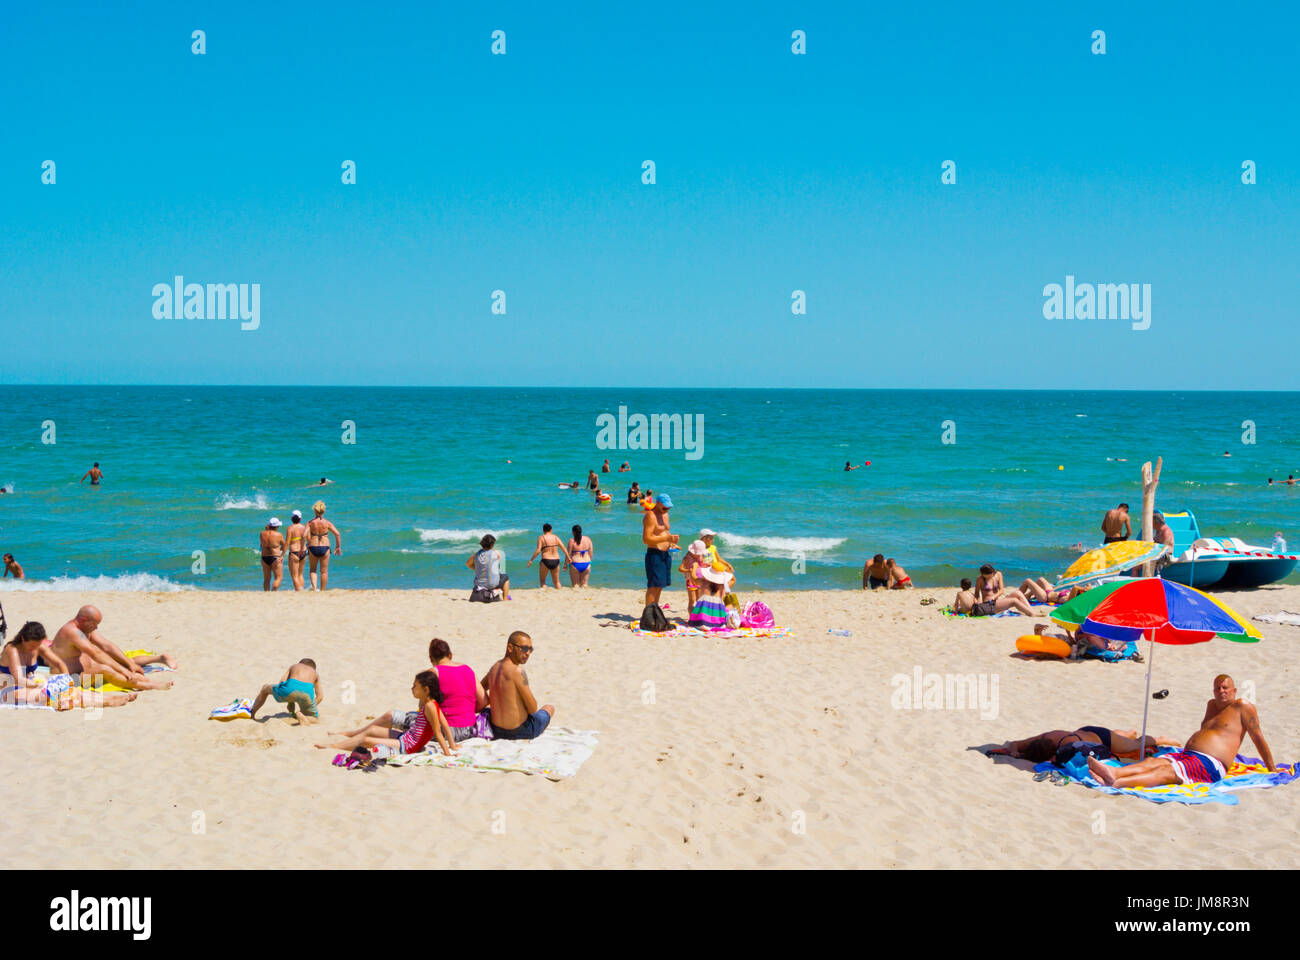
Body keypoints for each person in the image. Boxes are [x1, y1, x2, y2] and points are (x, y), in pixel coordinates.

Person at [1087, 675, 1275, 787]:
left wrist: (1271, 769)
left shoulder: (1242, 706)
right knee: (1155, 761)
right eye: (1217, 688)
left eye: (1225, 688)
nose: (1221, 691)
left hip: (1211, 764)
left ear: (1234, 691)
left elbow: (1258, 738)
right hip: (1190, 756)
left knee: (1168, 771)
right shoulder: (1211, 705)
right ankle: (1115, 772)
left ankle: (1117, 783)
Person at [345, 638, 488, 744]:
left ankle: (355, 733)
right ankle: (358, 733)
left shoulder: (433, 673)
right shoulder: (468, 670)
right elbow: (483, 702)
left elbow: (422, 708)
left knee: (392, 716)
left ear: (431, 659)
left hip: (447, 731)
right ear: (450, 655)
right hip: (469, 729)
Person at [316, 670, 456, 757]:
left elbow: (438, 731)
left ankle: (334, 747)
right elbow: (444, 722)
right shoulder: (428, 703)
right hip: (407, 737)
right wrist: (453, 745)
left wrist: (448, 753)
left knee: (366, 741)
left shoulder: (431, 706)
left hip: (409, 746)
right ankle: (345, 737)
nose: (412, 689)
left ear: (426, 690)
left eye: (415, 686)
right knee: (372, 729)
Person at [0, 621, 137, 708]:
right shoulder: (12, 650)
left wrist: (64, 678)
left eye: (37, 645)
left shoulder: (38, 646)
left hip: (27, 686)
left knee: (70, 690)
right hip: (8, 691)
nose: (34, 649)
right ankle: (107, 702)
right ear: (23, 639)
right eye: (31, 646)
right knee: (53, 696)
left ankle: (108, 698)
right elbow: (19, 679)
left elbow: (59, 662)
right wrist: (41, 684)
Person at [50, 606, 176, 690]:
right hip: (70, 679)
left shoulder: (84, 629)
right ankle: (151, 685)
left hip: (87, 669)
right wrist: (124, 670)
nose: (96, 628)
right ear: (83, 619)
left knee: (122, 662)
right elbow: (96, 653)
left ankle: (159, 658)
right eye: (94, 624)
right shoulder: (72, 632)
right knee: (106, 668)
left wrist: (127, 664)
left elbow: (106, 646)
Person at [483, 631, 555, 740]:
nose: (528, 653)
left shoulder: (494, 667)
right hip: (520, 732)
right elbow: (533, 709)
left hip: (496, 730)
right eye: (524, 649)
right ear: (510, 648)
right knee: (549, 708)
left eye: (530, 650)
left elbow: (480, 689)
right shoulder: (518, 671)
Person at [986, 726, 1181, 762]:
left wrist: (1015, 753)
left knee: (1135, 746)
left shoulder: (1066, 750)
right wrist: (1014, 752)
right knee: (1121, 739)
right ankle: (1127, 732)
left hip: (1102, 739)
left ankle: (1160, 739)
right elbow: (1012, 744)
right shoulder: (1047, 736)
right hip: (1090, 731)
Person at [250, 658, 321, 722]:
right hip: (307, 695)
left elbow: (282, 683)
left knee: (265, 688)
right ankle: (302, 716)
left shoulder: (294, 666)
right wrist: (308, 707)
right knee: (314, 719)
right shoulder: (315, 674)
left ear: (300, 664)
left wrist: (290, 701)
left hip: (288, 690)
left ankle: (252, 713)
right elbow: (320, 697)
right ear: (313, 668)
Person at [642, 494, 679, 607]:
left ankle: (655, 610)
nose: (666, 510)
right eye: (664, 508)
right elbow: (646, 539)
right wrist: (666, 538)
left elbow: (664, 533)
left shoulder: (665, 515)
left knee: (660, 585)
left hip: (665, 553)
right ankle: (648, 612)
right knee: (653, 586)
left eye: (668, 508)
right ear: (657, 503)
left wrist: (671, 542)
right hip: (654, 553)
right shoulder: (650, 516)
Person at [953, 578, 1040, 617]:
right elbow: (976, 603)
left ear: (961, 586)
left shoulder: (959, 593)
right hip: (978, 609)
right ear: (970, 586)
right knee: (1013, 601)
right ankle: (1031, 613)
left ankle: (1031, 613)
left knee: (1013, 600)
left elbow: (956, 605)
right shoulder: (971, 594)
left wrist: (955, 611)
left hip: (975, 611)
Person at [306, 501, 342, 591]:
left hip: (313, 546)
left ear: (314, 511)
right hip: (325, 547)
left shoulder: (310, 523)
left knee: (313, 570)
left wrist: (305, 544)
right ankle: (322, 590)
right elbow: (337, 534)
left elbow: (303, 535)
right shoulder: (327, 523)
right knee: (324, 571)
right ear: (323, 511)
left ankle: (314, 589)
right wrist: (338, 547)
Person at [467, 533, 510, 601]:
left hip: (479, 584)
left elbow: (468, 564)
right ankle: (505, 598)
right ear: (492, 545)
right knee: (505, 577)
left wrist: (478, 569)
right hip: (492, 585)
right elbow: (498, 559)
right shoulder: (495, 553)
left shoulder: (476, 555)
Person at [527, 523, 570, 588]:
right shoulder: (556, 537)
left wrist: (531, 560)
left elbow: (538, 550)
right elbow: (563, 548)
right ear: (551, 530)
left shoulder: (541, 538)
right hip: (556, 560)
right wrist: (568, 557)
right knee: (557, 582)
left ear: (543, 530)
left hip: (546, 560)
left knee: (543, 581)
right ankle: (560, 594)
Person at [680, 539, 709, 610]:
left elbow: (706, 565)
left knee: (699, 600)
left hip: (699, 580)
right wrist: (688, 570)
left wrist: (708, 566)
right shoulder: (687, 557)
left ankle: (697, 617)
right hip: (690, 581)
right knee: (692, 600)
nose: (699, 555)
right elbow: (680, 569)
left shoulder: (702, 556)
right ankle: (691, 618)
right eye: (698, 553)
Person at [284, 510, 309, 591]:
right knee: (300, 574)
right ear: (300, 518)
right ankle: (302, 589)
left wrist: (282, 554)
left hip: (294, 552)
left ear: (292, 518)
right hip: (303, 551)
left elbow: (287, 542)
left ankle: (299, 591)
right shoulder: (305, 527)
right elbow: (309, 541)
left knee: (294, 575)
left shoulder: (290, 528)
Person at [259, 517, 285, 591]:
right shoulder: (279, 534)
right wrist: (282, 553)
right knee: (278, 577)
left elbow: (261, 545)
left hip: (264, 557)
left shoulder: (262, 534)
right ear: (276, 526)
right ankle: (273, 591)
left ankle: (266, 593)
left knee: (266, 579)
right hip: (275, 557)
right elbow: (285, 545)